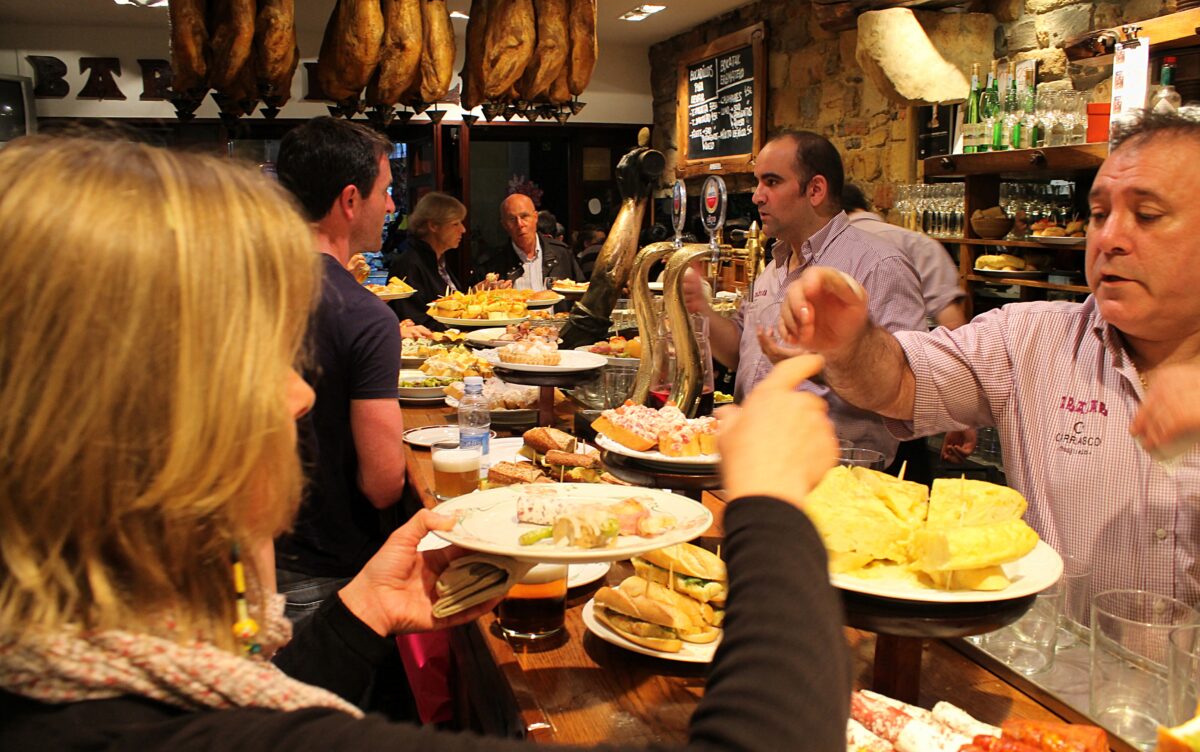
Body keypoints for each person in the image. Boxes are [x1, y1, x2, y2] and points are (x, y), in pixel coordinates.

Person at [0, 135, 851, 751]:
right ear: (133, 416)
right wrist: (772, 509)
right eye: (258, 354)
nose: (299, 394)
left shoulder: (80, 678)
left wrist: (358, 616)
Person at [772, 110, 1200, 605]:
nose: (1107, 239)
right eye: (1100, 215)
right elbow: (898, 382)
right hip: (1047, 678)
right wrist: (849, 342)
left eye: (1146, 215)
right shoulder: (1033, 339)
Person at [685, 130, 926, 468]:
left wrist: (817, 366)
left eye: (771, 182)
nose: (757, 197)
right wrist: (702, 310)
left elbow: (907, 384)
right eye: (758, 182)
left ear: (815, 190)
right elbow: (742, 352)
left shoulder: (878, 265)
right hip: (756, 463)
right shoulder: (775, 267)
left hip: (835, 479)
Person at [273, 117, 413, 626]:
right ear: (350, 201)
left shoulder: (238, 285)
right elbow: (383, 484)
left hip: (243, 568)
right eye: (387, 191)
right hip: (326, 576)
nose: (392, 206)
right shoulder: (366, 316)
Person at [841, 182, 971, 479]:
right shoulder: (918, 244)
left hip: (834, 433)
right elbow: (954, 332)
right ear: (867, 205)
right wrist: (960, 417)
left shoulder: (819, 251)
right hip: (904, 418)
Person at [841, 183, 967, 330]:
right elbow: (952, 323)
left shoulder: (823, 248)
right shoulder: (919, 244)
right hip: (910, 350)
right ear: (863, 204)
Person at [387, 191, 468, 329]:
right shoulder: (409, 265)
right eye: (455, 224)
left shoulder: (437, 261)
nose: (463, 229)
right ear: (433, 226)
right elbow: (414, 319)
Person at [477, 193, 581, 289]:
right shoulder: (492, 263)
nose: (520, 224)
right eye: (512, 219)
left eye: (524, 216)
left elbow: (582, 294)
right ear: (504, 225)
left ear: (535, 218)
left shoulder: (562, 253)